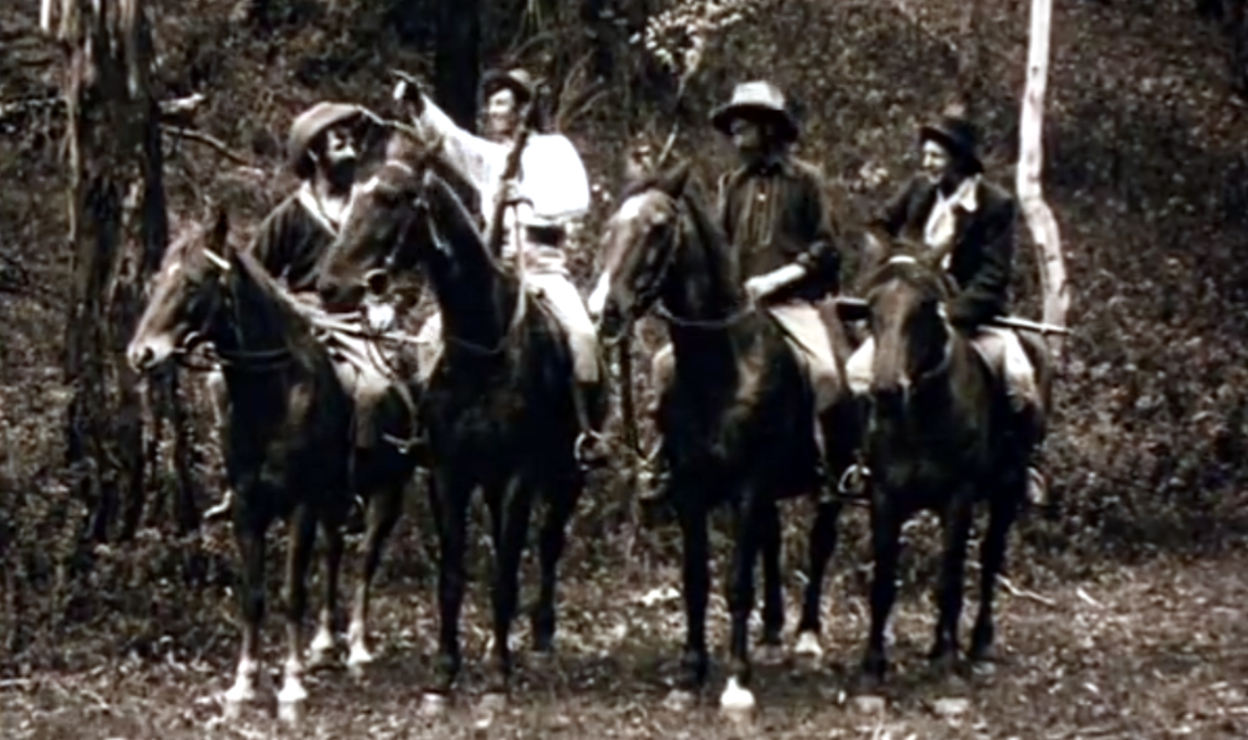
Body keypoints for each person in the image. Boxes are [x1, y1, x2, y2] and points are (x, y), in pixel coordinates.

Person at [202, 101, 418, 520]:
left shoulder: (374, 203)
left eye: (350, 135)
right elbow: (254, 275)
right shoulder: (290, 215)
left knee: (374, 392)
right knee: (219, 382)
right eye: (335, 137)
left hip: (359, 321)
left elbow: (407, 264)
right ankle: (239, 484)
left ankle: (357, 485)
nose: (347, 140)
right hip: (300, 324)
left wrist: (391, 303)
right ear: (314, 153)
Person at [638, 80, 846, 508]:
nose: (736, 132)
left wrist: (778, 279)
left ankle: (826, 465)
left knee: (824, 372)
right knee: (664, 366)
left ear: (769, 128)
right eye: (733, 125)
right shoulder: (732, 184)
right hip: (738, 310)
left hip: (791, 304)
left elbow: (826, 246)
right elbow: (719, 246)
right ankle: (662, 461)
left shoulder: (806, 180)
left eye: (744, 124)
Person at [842, 106, 1049, 507]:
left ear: (959, 159)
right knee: (858, 372)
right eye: (925, 155)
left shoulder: (995, 204)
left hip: (972, 318)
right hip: (913, 314)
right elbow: (878, 225)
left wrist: (952, 312)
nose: (927, 163)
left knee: (1020, 378)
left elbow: (993, 276)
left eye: (936, 156)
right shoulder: (918, 189)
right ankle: (865, 462)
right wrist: (897, 260)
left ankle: (1023, 465)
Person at [399, 67, 606, 463]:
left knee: (582, 336)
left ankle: (585, 432)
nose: (493, 112)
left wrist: (525, 199)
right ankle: (426, 428)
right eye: (491, 104)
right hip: (497, 272)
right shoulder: (491, 156)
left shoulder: (556, 150)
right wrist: (418, 103)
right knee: (432, 335)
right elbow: (450, 140)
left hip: (544, 268)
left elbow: (577, 198)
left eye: (501, 104)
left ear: (523, 109)